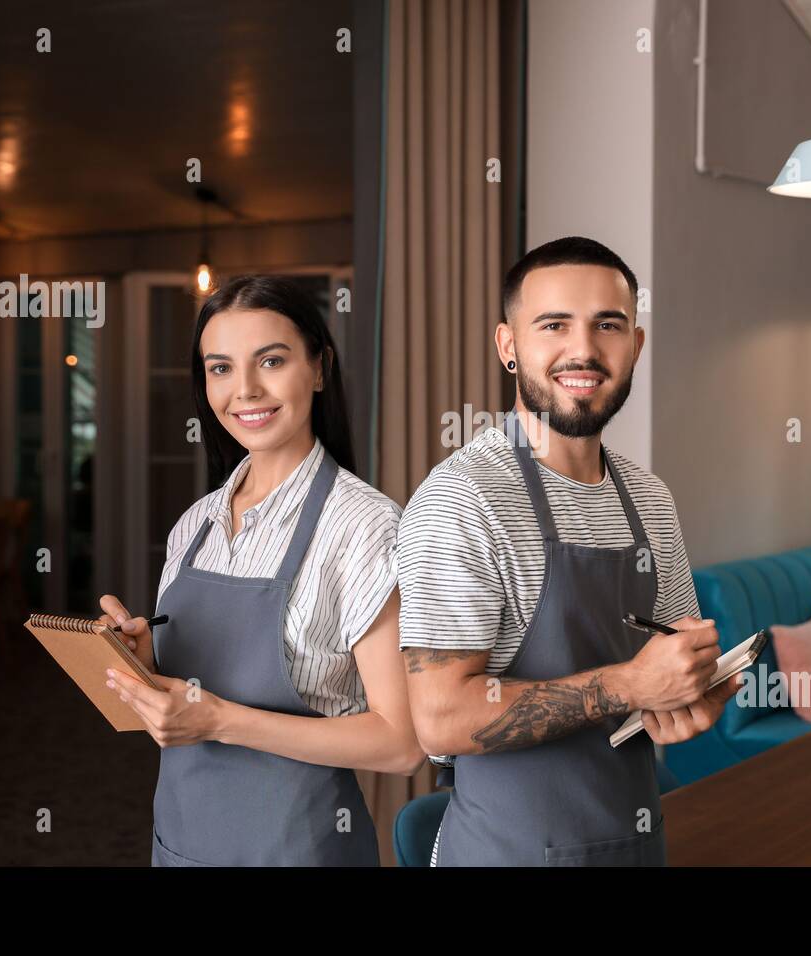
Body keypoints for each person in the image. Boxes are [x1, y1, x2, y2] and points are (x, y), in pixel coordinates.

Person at [398, 237, 740, 866]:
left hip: (635, 845)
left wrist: (687, 696)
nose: (582, 350)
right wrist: (630, 684)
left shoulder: (649, 498)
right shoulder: (463, 499)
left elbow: (660, 668)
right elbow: (440, 719)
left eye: (607, 326)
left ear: (634, 346)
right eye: (553, 325)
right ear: (508, 346)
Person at [101, 275, 423, 866]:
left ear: (319, 367)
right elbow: (175, 711)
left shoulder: (364, 526)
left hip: (300, 851)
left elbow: (402, 743)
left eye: (270, 361)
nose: (244, 390)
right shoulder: (193, 525)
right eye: (219, 368)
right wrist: (141, 663)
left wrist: (220, 721)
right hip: (182, 848)